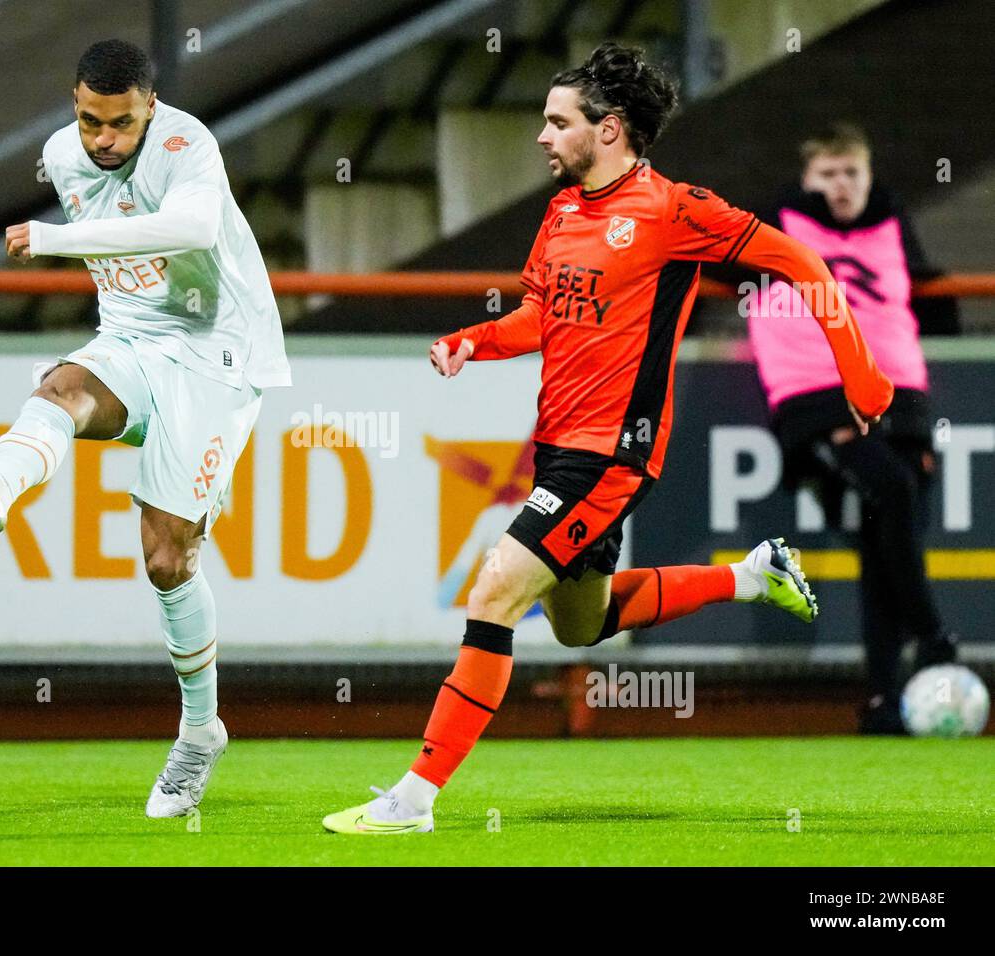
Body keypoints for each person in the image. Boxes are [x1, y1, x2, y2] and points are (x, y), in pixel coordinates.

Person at [322, 42, 893, 835]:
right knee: (577, 625)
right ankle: (752, 578)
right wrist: (471, 342)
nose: (542, 137)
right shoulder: (560, 211)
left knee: (494, 590)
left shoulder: (675, 210)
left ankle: (412, 799)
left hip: (614, 450)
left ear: (611, 130)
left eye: (558, 123)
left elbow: (799, 263)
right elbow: (542, 315)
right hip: (560, 445)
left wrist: (861, 378)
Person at [0, 39, 291, 815]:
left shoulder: (187, 145)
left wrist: (55, 239)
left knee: (166, 558)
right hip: (132, 342)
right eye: (88, 121)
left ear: (150, 108)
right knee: (64, 388)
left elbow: (188, 230)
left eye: (118, 124)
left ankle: (199, 730)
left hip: (219, 355)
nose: (101, 141)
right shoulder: (63, 153)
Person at [745, 123, 959, 735]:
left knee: (884, 546)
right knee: (890, 497)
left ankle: (886, 704)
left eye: (852, 173)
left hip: (901, 398)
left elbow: (921, 291)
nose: (841, 187)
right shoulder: (781, 219)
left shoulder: (892, 220)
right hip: (820, 399)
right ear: (808, 180)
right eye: (828, 175)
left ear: (869, 175)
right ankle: (933, 636)